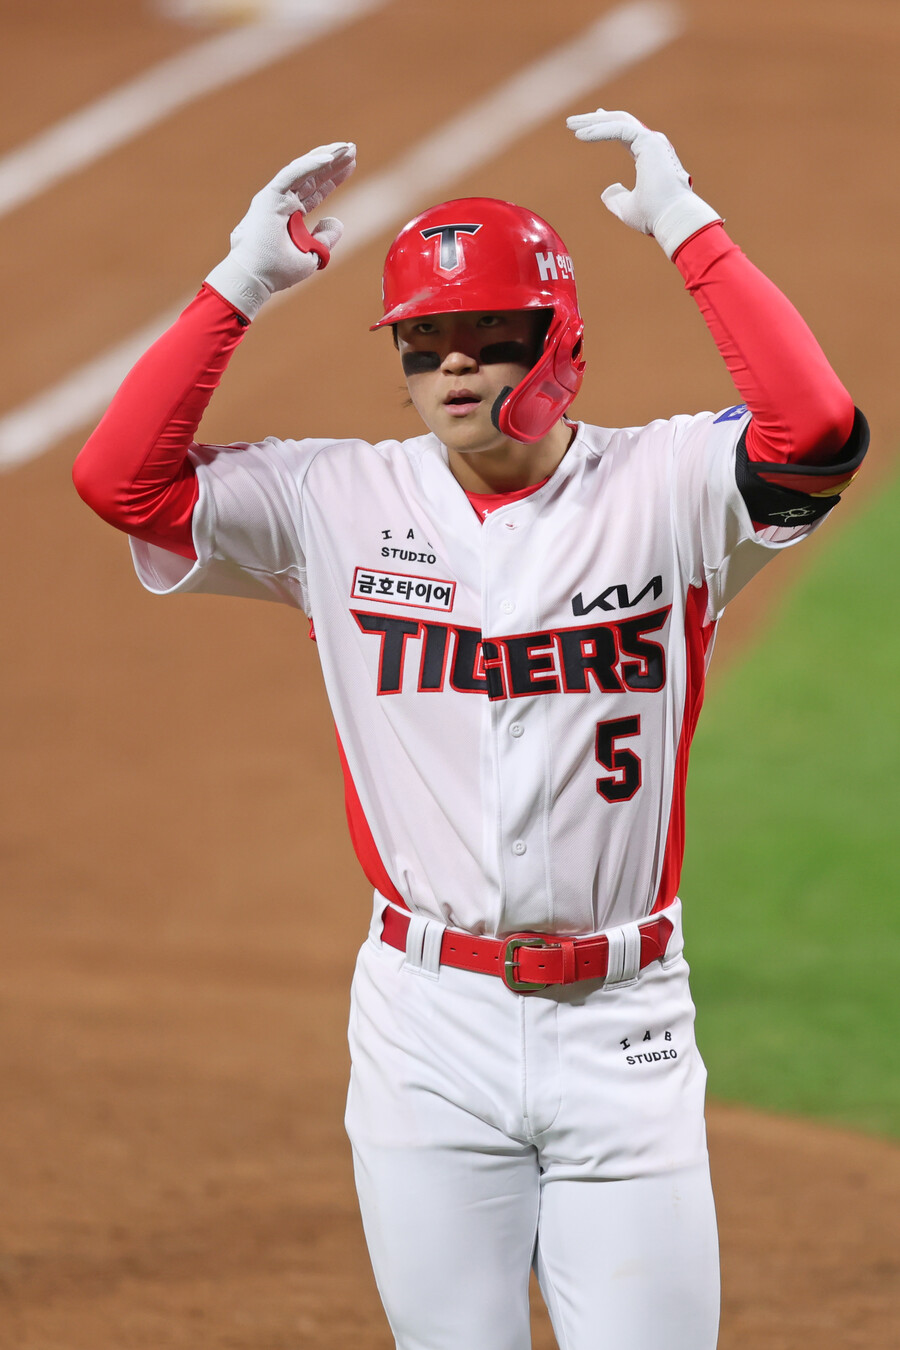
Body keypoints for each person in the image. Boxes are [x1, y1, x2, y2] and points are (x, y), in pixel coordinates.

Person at [73, 110, 867, 1349]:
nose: (452, 367)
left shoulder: (666, 490)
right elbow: (121, 480)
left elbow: (814, 431)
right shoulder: (336, 500)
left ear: (558, 343)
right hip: (425, 1028)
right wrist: (239, 286)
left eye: (487, 337)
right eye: (423, 342)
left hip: (625, 1026)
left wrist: (686, 229)